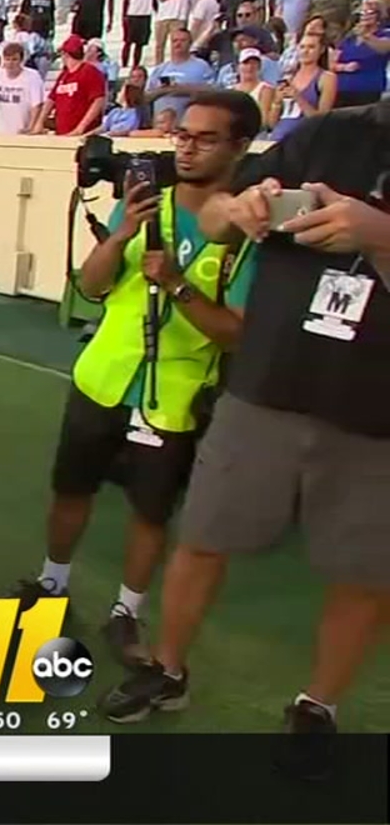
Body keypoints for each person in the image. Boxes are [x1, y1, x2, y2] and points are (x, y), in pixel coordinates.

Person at [98, 99, 390, 755]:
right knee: (203, 536)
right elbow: (212, 214)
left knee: (366, 574)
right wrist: (244, 209)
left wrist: (377, 232)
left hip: (377, 413)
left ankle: (319, 706)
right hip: (266, 386)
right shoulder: (328, 133)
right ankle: (167, 669)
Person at [10, 90, 262, 669]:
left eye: (205, 138)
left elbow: (235, 333)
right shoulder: (145, 203)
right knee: (71, 487)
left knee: (151, 511)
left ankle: (127, 611)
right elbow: (93, 285)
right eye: (183, 135)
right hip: (101, 377)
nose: (188, 148)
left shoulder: (245, 233)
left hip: (171, 397)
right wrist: (122, 234)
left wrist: (175, 283)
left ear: (240, 147)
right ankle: (53, 583)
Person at [51, 34, 109, 135]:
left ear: (65, 54)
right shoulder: (64, 75)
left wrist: (81, 127)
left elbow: (98, 100)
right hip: (63, 131)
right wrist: (38, 123)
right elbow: (51, 98)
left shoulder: (89, 71)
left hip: (83, 134)